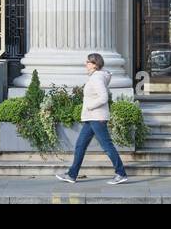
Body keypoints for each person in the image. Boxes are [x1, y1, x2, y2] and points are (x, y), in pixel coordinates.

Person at [55, 53, 129, 185]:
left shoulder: (97, 78)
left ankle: (121, 173)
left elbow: (103, 97)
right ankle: (72, 175)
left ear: (95, 64)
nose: (86, 64)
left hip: (97, 117)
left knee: (107, 146)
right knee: (80, 145)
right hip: (92, 118)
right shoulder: (96, 77)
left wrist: (90, 106)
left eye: (88, 62)